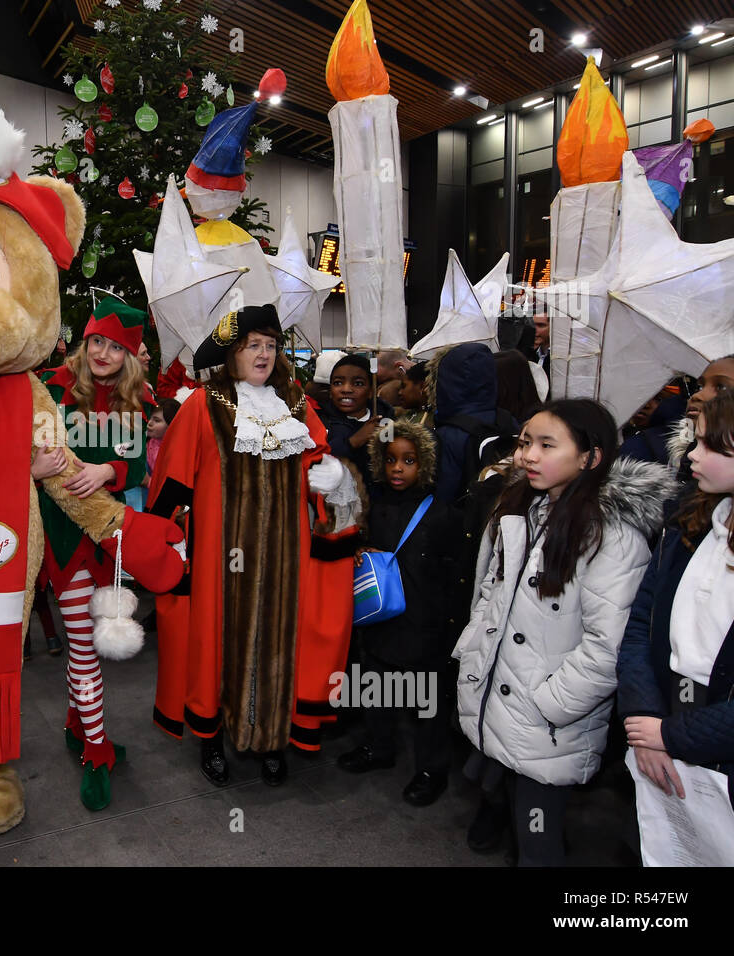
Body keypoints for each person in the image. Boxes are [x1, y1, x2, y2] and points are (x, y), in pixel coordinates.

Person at [453, 399, 675, 865]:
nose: (527, 456)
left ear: (590, 457)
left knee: (539, 840)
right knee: (519, 818)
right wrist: (475, 651)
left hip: (549, 720)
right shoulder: (523, 509)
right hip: (503, 699)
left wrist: (547, 705)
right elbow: (490, 595)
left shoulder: (612, 534)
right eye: (525, 442)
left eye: (546, 445)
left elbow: (608, 646)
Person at [147, 305, 362, 786]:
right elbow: (172, 485)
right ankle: (213, 739)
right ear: (233, 354)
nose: (264, 355)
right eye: (253, 346)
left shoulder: (298, 405)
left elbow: (319, 462)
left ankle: (272, 738)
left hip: (287, 558)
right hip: (219, 561)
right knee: (216, 645)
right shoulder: (205, 405)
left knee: (279, 644)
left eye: (271, 345)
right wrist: (167, 545)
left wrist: (331, 478)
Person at [37, 296, 156, 810]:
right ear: (84, 342)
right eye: (97, 342)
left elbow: (140, 466)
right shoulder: (48, 387)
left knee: (86, 635)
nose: (103, 353)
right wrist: (32, 469)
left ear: (130, 354)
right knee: (84, 643)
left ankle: (75, 720)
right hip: (59, 534)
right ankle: (97, 747)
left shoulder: (138, 397)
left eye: (115, 346)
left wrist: (110, 471)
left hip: (109, 536)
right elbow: (13, 446)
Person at [617, 390, 734, 860]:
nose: (692, 455)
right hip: (661, 733)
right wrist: (645, 721)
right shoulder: (691, 520)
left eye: (713, 447)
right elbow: (641, 626)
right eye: (697, 441)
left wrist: (670, 736)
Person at [339, 417, 459, 806]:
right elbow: (359, 547)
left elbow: (454, 573)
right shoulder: (373, 506)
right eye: (390, 459)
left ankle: (431, 769)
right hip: (381, 620)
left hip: (425, 624)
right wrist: (359, 551)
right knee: (375, 686)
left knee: (427, 702)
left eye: (408, 460)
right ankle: (379, 747)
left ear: (424, 464)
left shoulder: (442, 513)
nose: (397, 469)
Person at [432, 342, 516, 506]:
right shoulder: (508, 419)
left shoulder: (449, 434)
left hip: (464, 519)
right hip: (501, 511)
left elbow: (445, 492)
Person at [317, 352, 395, 491]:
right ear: (330, 390)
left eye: (358, 383)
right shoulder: (320, 421)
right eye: (338, 383)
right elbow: (316, 463)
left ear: (371, 391)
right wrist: (353, 442)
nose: (346, 389)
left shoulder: (386, 420)